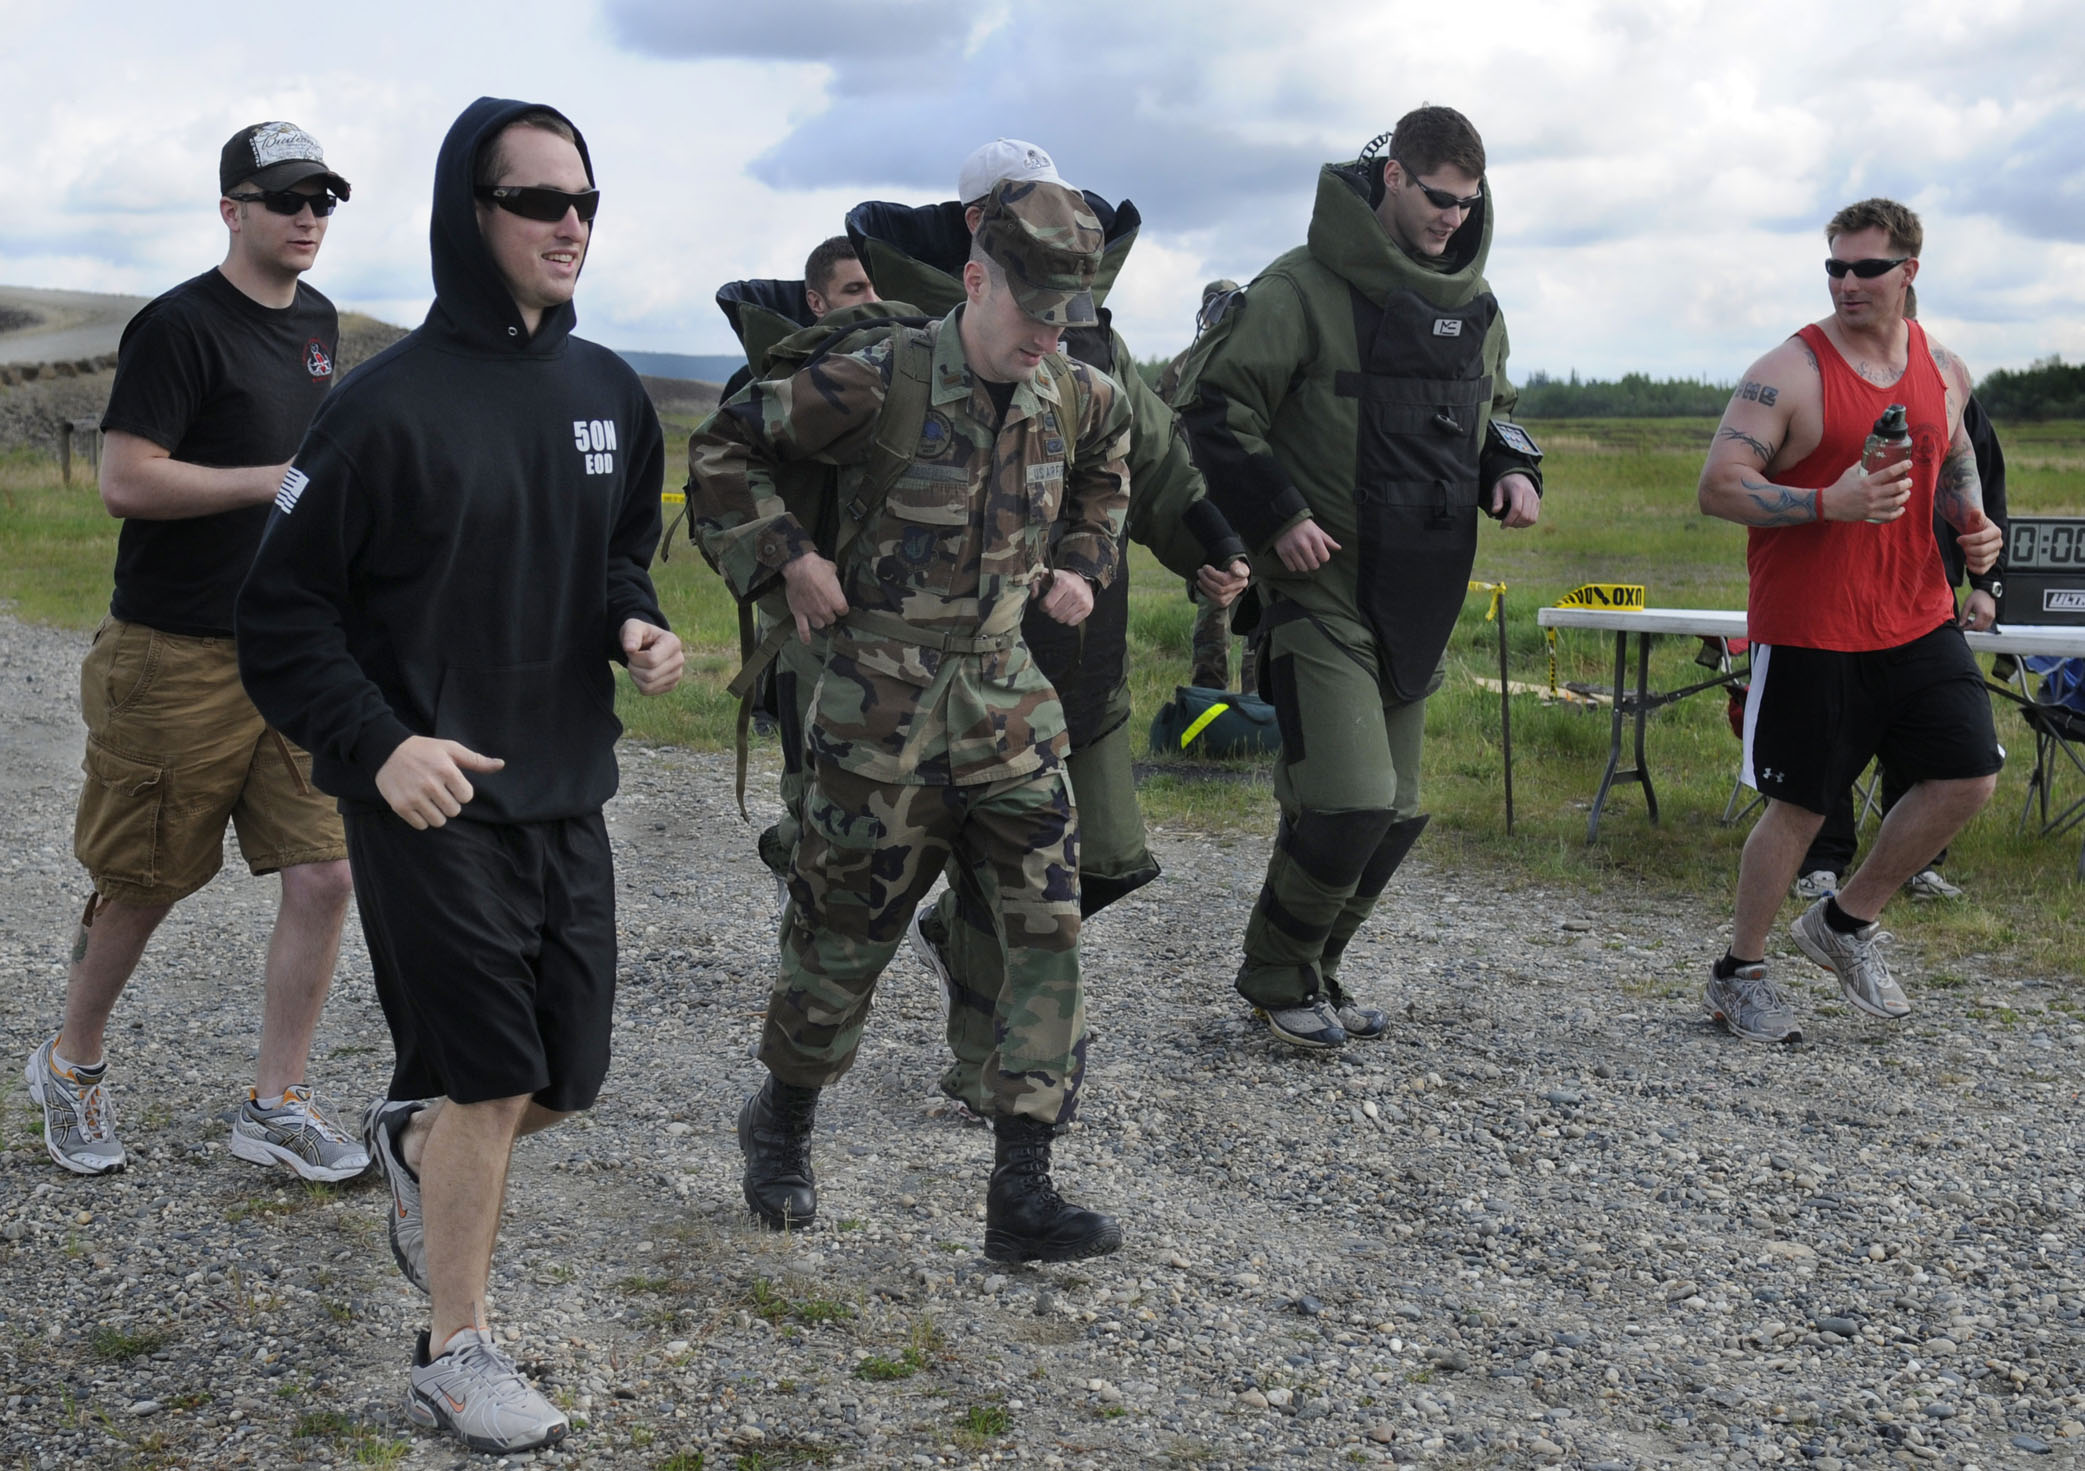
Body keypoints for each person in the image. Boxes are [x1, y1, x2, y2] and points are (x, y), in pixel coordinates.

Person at [235, 98, 681, 1454]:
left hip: (565, 784)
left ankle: (420, 1151)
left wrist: (632, 619)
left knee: (569, 1072)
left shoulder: (609, 391)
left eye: (587, 203)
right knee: (489, 1069)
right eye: (541, 201)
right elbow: (281, 617)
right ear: (467, 213)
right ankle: (453, 1346)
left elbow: (611, 553)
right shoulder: (380, 409)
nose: (571, 226)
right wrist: (381, 745)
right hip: (422, 796)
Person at [688, 179, 1132, 1263]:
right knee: (842, 945)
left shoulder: (1073, 390)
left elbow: (1110, 470)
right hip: (876, 711)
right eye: (1034, 312)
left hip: (1006, 706)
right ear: (977, 280)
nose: (1051, 335)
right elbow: (722, 454)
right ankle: (782, 1119)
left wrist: (1082, 562)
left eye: (1069, 315)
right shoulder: (871, 379)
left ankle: (1023, 1188)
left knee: (1045, 933)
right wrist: (789, 559)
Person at [845, 139, 1248, 1119]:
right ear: (974, 225)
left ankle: (968, 952)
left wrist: (1208, 541)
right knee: (1010, 872)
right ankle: (997, 1065)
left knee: (1106, 856)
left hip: (1085, 656)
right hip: (961, 674)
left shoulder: (1091, 334)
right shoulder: (916, 339)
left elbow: (1150, 455)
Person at [23, 122, 367, 1182]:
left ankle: (275, 1102)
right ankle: (70, 1066)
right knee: (144, 877)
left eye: (323, 199)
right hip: (172, 654)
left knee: (326, 869)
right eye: (286, 198)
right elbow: (127, 480)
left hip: (294, 651)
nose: (309, 215)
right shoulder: (178, 326)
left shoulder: (317, 322)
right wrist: (271, 478)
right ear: (232, 209)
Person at [1179, 107, 1543, 1051]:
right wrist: (1277, 517)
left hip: (1421, 592)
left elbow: (1495, 406)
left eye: (1468, 203)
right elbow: (1212, 411)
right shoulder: (1298, 290)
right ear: (1391, 179)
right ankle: (1271, 974)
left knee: (1394, 812)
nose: (1452, 220)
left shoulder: (1476, 302)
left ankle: (1314, 971)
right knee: (1344, 797)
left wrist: (1509, 470)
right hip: (1319, 590)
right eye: (1436, 198)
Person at [1697, 197, 2000, 1045]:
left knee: (1967, 774)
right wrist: (1825, 500)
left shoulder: (1942, 364)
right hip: (1810, 623)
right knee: (1800, 804)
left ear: (1908, 271)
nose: (1846, 282)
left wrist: (1973, 523)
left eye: (1866, 267)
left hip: (1915, 613)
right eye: (1833, 266)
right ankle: (1739, 973)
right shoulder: (1787, 370)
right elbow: (1718, 484)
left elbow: (1955, 451)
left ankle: (1845, 919)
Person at [1793, 390, 2009, 902]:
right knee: (1830, 734)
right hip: (1832, 593)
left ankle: (1917, 864)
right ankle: (1823, 862)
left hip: (1924, 594)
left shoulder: (1950, 388)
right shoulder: (1817, 384)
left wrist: (1987, 580)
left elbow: (1986, 492)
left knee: (1929, 735)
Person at [1162, 280, 1249, 690]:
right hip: (1210, 494)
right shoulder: (1196, 365)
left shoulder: (1187, 365)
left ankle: (1238, 695)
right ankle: (1226, 695)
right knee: (1224, 594)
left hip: (1223, 492)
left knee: (1237, 594)